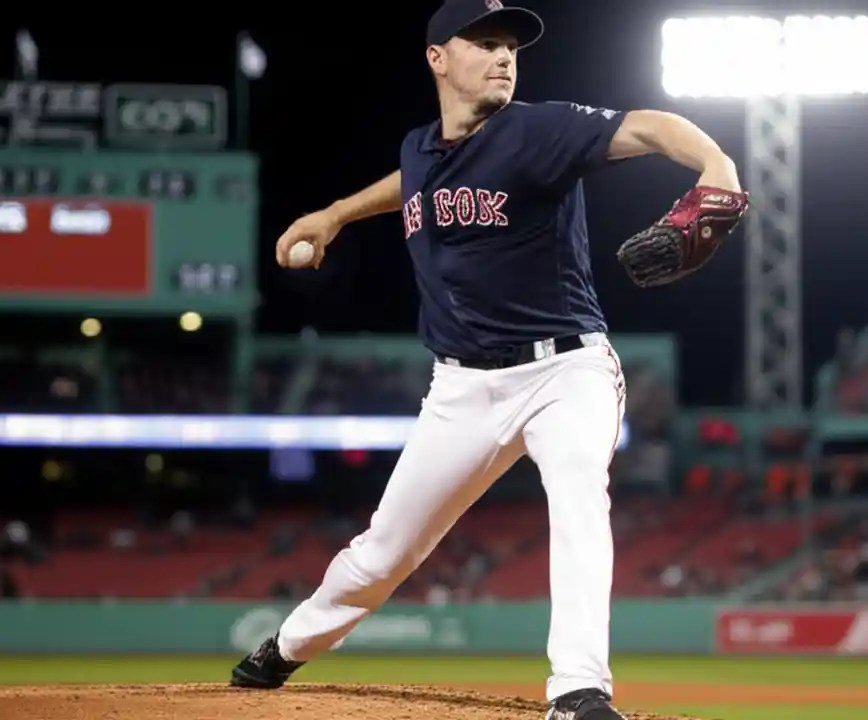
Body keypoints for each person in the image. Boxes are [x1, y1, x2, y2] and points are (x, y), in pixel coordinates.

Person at [230, 1, 744, 718]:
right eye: (485, 43)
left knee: (578, 502)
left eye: (511, 46)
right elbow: (413, 183)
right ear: (438, 58)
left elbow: (654, 127)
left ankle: (578, 690)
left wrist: (716, 163)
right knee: (384, 552)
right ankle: (286, 646)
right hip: (461, 386)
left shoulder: (539, 130)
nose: (505, 57)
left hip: (567, 371)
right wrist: (337, 214)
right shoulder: (421, 150)